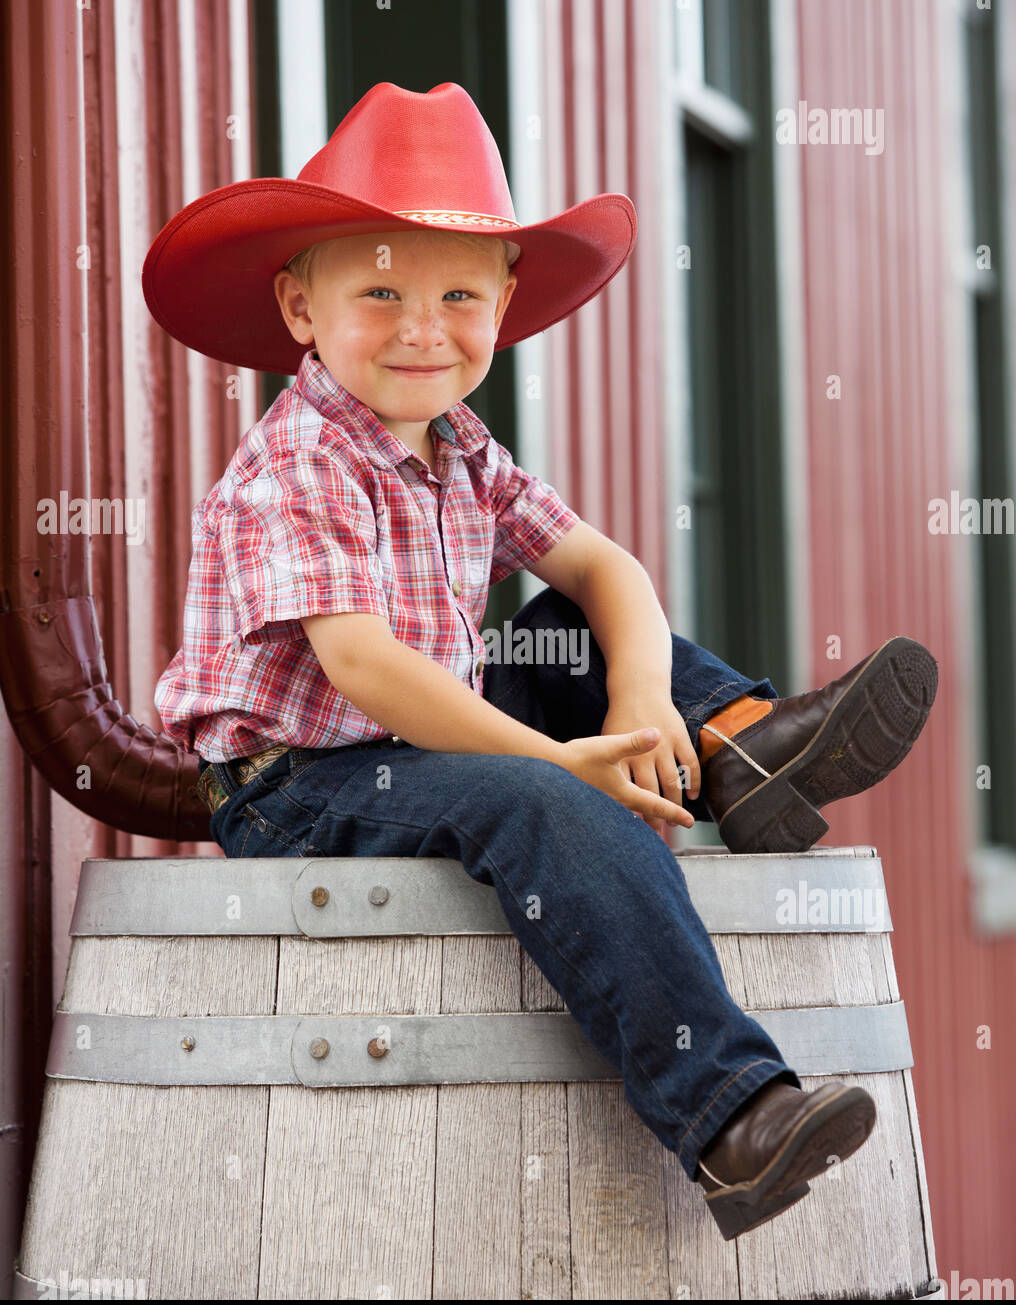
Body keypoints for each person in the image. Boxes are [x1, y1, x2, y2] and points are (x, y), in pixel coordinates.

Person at [145, 81, 938, 1242]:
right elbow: (364, 669)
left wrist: (638, 698)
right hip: (297, 781)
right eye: (379, 291)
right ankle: (731, 1116)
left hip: (425, 729)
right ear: (299, 306)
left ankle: (731, 745)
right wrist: (565, 766)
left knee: (566, 641)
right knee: (536, 799)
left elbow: (608, 571)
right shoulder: (298, 460)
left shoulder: (463, 444)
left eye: (459, 293)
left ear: (506, 304)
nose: (424, 327)